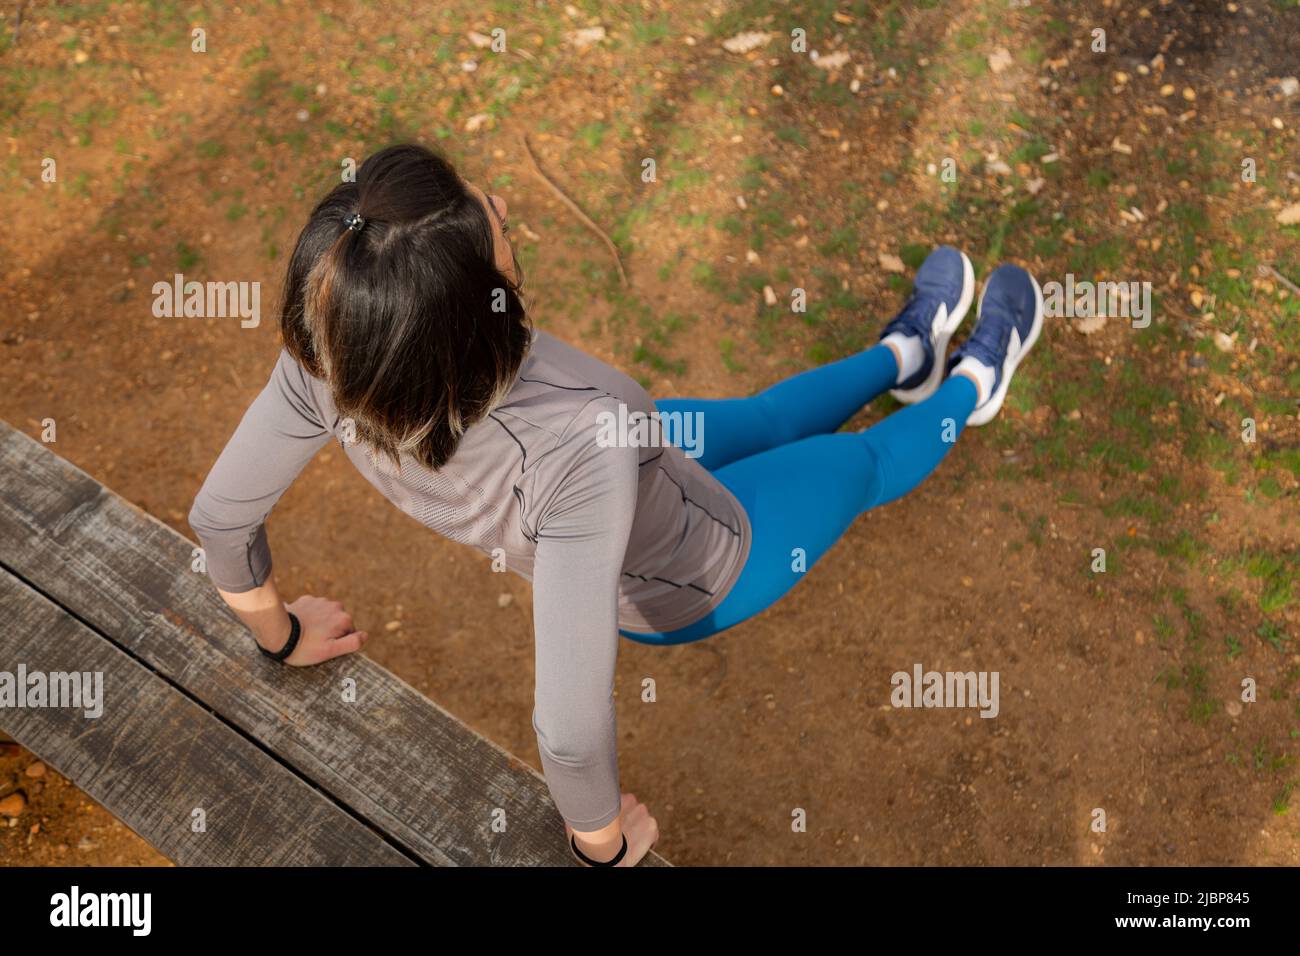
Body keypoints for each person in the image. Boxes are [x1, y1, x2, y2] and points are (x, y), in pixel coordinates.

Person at [188, 144, 1043, 867]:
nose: (501, 206)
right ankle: (976, 380)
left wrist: (282, 635)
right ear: (466, 318)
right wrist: (603, 845)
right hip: (705, 560)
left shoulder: (335, 351)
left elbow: (220, 518)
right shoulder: (575, 447)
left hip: (648, 463)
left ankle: (904, 355)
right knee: (859, 462)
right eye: (493, 228)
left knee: (767, 418)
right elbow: (566, 727)